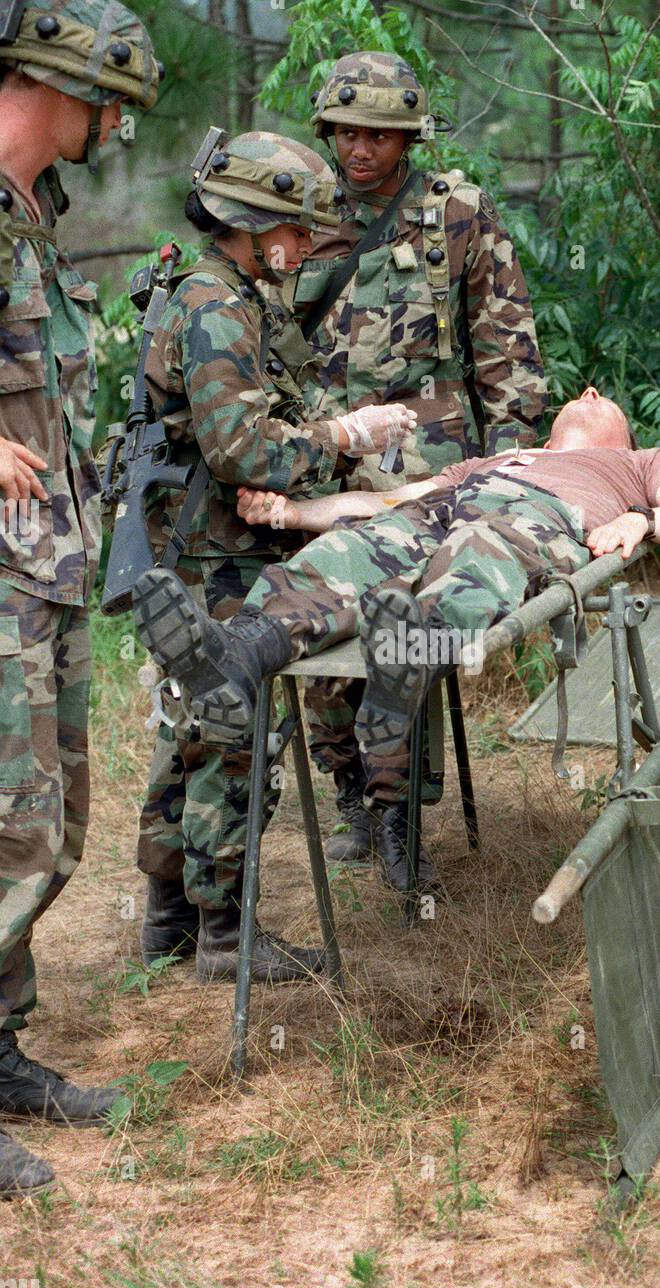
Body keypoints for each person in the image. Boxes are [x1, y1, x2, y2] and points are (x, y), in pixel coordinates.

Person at [130, 389, 660, 879]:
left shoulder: (639, 463)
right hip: (435, 512)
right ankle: (237, 654)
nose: (591, 391)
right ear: (547, 439)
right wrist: (289, 514)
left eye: (604, 399)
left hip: (530, 521)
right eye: (582, 393)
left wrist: (639, 519)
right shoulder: (499, 458)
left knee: (476, 558)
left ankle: (410, 654)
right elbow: (390, 498)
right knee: (344, 552)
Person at [132, 129, 416, 981]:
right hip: (215, 557)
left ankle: (170, 922)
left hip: (208, 545)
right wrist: (341, 435)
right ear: (247, 222)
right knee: (230, 732)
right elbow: (242, 452)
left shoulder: (232, 292)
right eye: (290, 230)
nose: (302, 248)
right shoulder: (216, 306)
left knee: (191, 729)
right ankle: (224, 934)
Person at [292, 50, 549, 876]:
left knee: (406, 636)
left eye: (379, 134)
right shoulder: (293, 209)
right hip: (323, 457)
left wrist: (514, 466)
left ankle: (397, 809)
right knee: (322, 632)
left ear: (408, 137)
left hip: (428, 461)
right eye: (346, 132)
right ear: (325, 130)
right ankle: (348, 796)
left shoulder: (455, 215)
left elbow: (505, 347)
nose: (360, 149)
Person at [0, 0, 160, 1197]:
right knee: (5, 829)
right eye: (110, 101)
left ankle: (1, 1047)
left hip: (40, 564)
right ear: (59, 84)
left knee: (49, 829)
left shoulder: (29, 213)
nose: (116, 126)